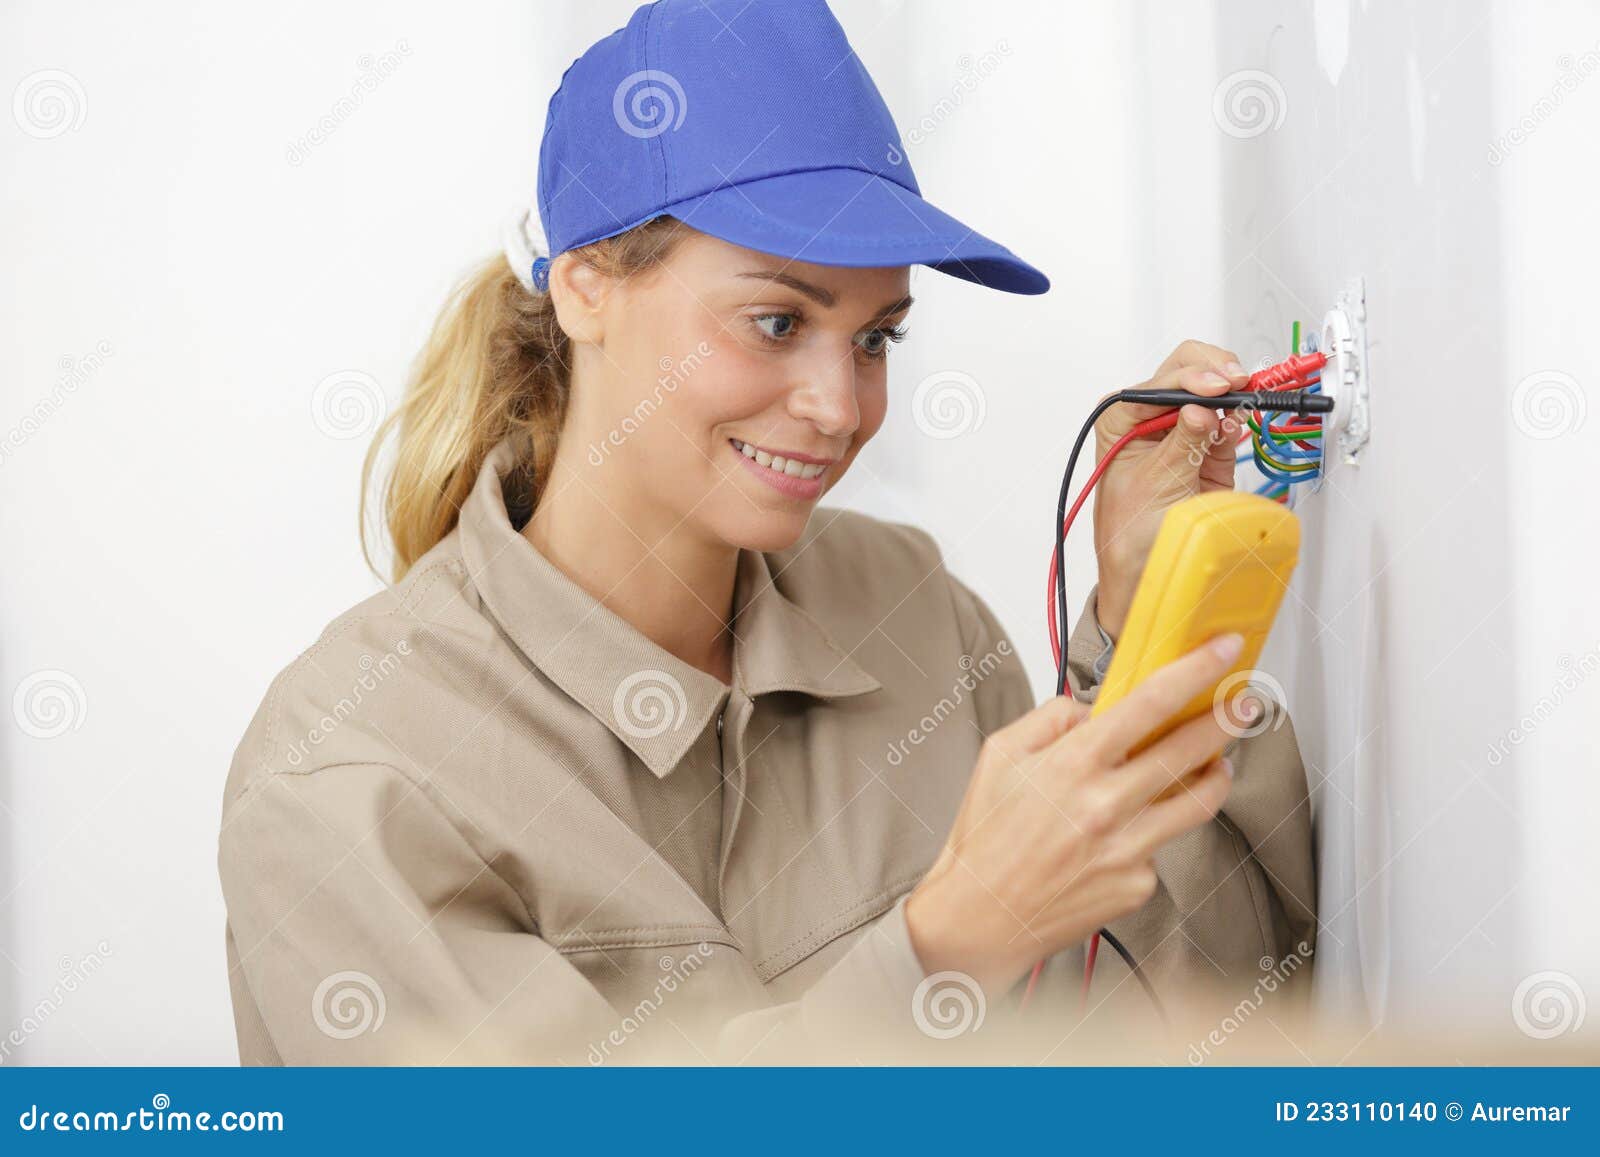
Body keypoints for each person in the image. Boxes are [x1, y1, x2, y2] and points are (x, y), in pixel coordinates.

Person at [217, 0, 1314, 1064]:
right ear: (586, 286)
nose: (840, 407)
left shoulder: (910, 610)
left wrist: (1140, 627)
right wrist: (944, 947)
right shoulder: (348, 769)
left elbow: (1192, 1038)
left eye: (875, 338)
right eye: (777, 321)